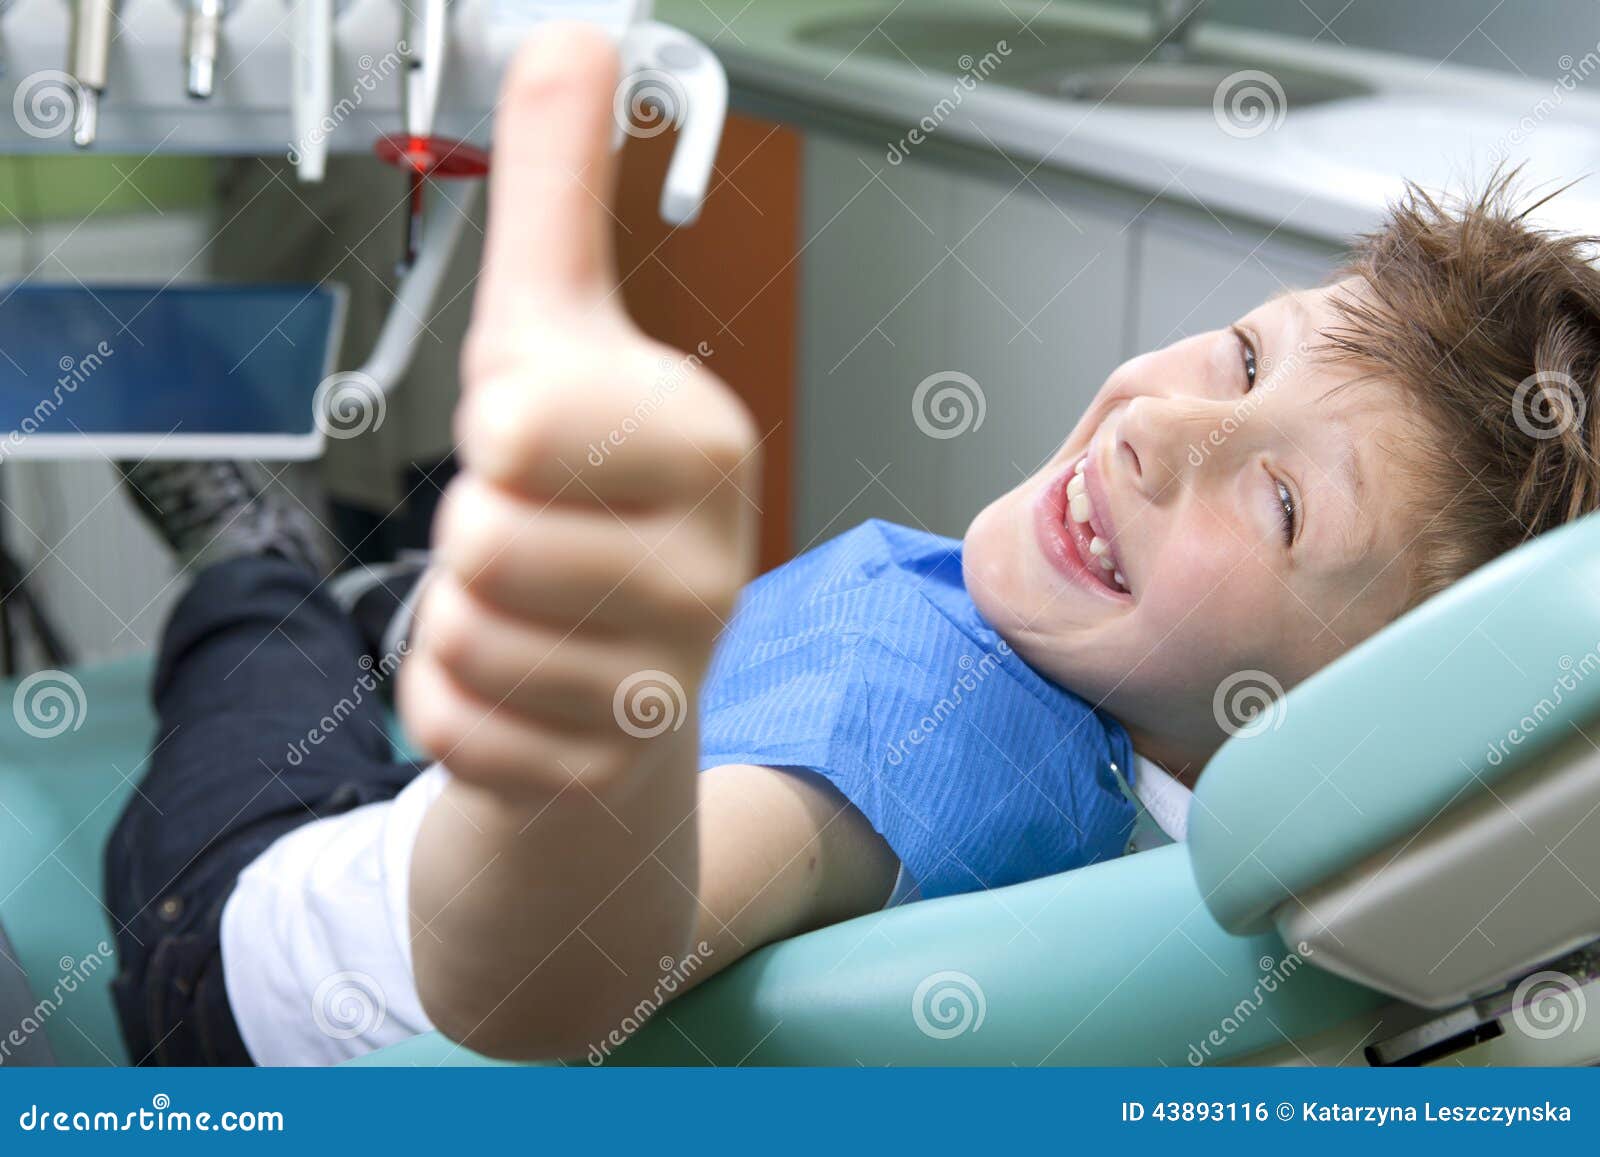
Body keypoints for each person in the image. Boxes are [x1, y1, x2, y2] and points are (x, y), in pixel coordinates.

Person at [103, 24, 1600, 1065]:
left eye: (1281, 507)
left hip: (244, 954)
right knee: (422, 579)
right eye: (1243, 355)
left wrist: (574, 761)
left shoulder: (919, 741)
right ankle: (407, 594)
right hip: (437, 816)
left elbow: (551, 984)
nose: (1165, 429)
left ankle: (259, 556)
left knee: (264, 646)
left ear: (1330, 715)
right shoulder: (1163, 783)